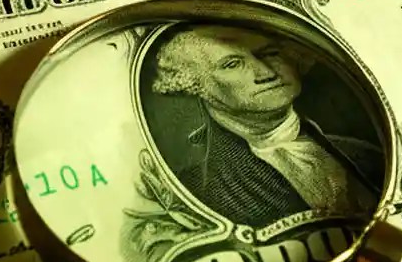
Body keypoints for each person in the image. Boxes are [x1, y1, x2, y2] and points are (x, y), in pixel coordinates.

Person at [148, 21, 383, 229]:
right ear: (193, 84)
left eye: (270, 53)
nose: (266, 72)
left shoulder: (366, 155)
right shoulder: (194, 191)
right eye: (232, 64)